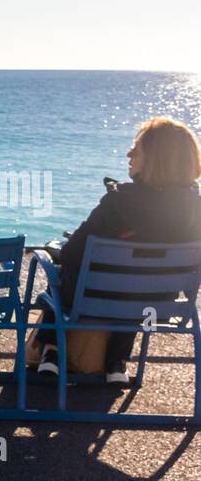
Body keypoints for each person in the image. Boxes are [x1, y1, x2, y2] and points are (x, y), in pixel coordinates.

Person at [36, 117, 201, 384]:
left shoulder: (117, 202)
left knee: (59, 270)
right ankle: (117, 362)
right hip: (156, 306)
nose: (129, 154)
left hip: (92, 299)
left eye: (137, 149)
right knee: (140, 285)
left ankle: (52, 352)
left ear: (156, 159)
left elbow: (73, 252)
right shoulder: (196, 209)